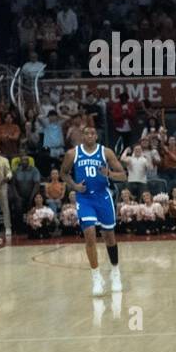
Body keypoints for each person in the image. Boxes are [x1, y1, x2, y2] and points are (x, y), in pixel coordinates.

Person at [60, 123, 127, 295]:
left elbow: (123, 175)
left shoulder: (106, 152)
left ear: (96, 136)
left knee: (109, 238)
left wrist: (109, 174)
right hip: (85, 199)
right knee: (89, 235)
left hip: (103, 197)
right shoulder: (72, 153)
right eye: (86, 133)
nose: (90, 136)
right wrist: (74, 186)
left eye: (92, 133)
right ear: (82, 136)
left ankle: (115, 271)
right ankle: (96, 277)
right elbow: (63, 173)